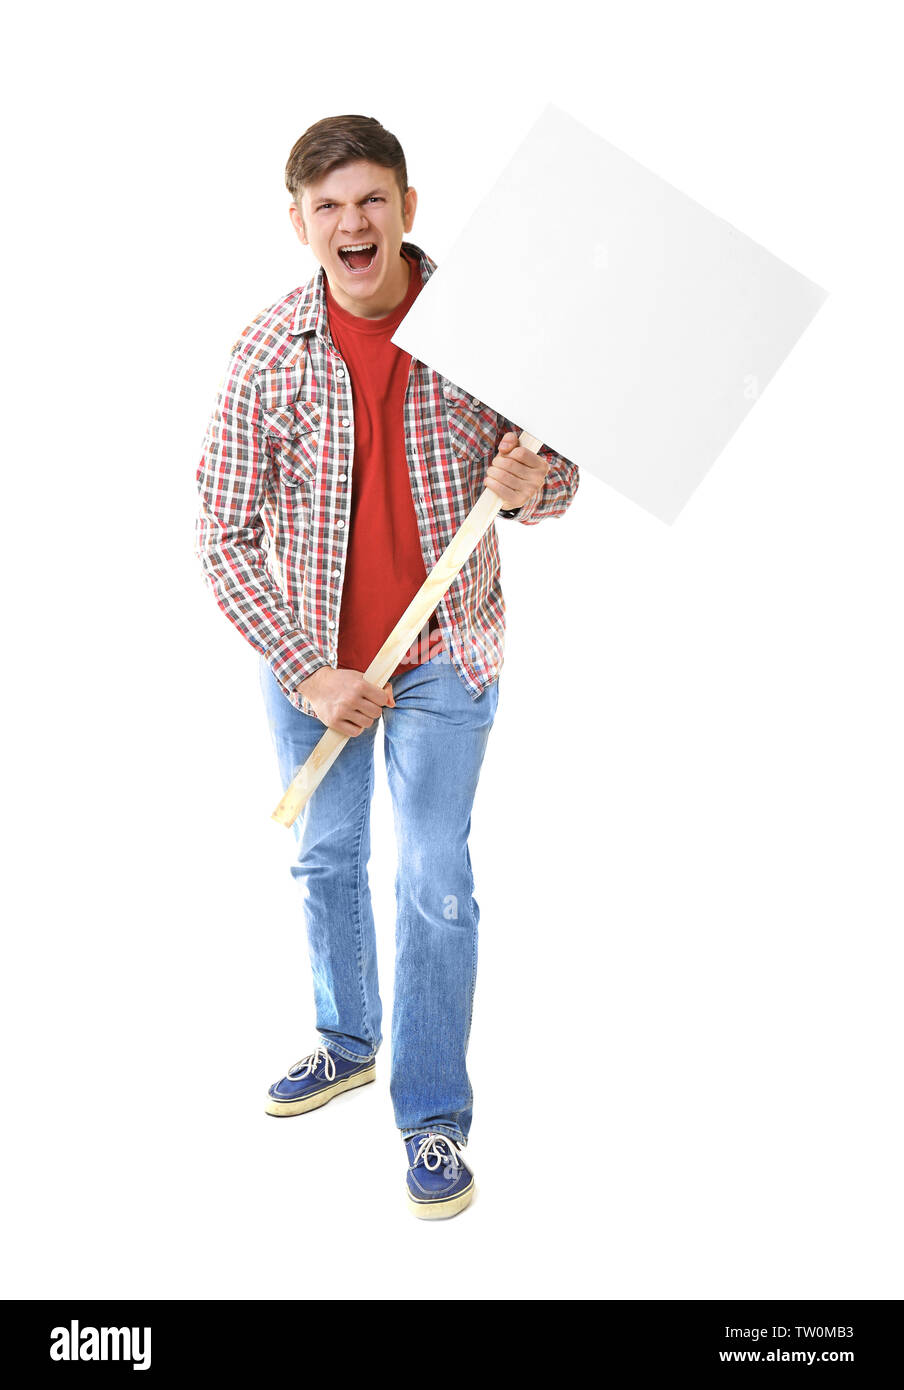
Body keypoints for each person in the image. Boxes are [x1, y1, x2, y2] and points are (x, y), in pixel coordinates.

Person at [194, 114, 579, 1219]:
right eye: (329, 206)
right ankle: (345, 1040)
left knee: (433, 880)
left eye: (372, 199)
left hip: (447, 651)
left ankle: (433, 1116)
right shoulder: (269, 352)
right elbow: (223, 535)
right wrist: (309, 669)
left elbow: (557, 485)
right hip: (314, 665)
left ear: (408, 206)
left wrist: (527, 486)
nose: (352, 223)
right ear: (299, 224)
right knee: (324, 859)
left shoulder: (490, 328)